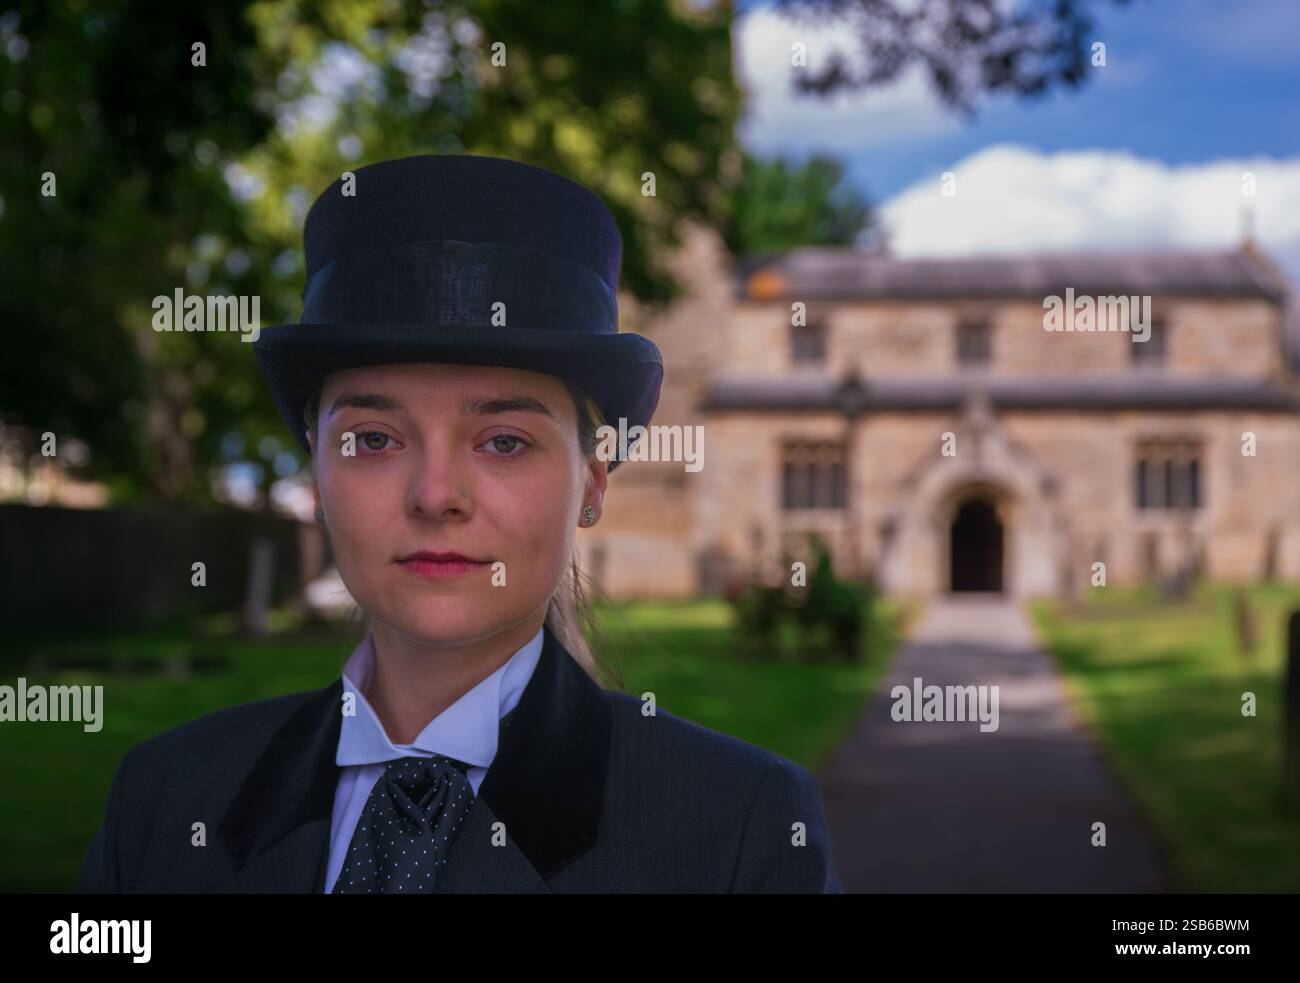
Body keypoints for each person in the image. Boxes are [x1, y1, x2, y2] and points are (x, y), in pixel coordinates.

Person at [76, 153, 842, 893]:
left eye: (504, 441)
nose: (436, 493)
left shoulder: (736, 832)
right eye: (374, 439)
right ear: (317, 471)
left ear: (592, 481)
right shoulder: (163, 802)